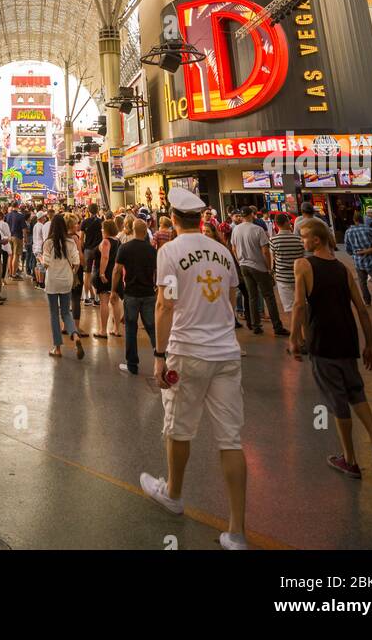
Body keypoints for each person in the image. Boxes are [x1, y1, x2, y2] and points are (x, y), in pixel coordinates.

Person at [141, 188, 248, 551]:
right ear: (201, 218)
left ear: (172, 218)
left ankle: (173, 492)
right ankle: (236, 530)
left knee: (179, 429)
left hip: (187, 351)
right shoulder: (222, 251)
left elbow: (164, 306)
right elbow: (232, 302)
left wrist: (158, 354)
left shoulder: (168, 252)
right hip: (226, 354)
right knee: (231, 440)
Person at [290, 217, 372, 480]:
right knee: (356, 391)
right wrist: (369, 344)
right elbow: (361, 308)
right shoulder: (343, 268)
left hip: (322, 339)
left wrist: (294, 339)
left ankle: (350, 459)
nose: (302, 241)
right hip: (347, 339)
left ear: (315, 240)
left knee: (337, 400)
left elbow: (299, 306)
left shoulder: (302, 265)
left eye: (304, 237)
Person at [230, 208, 288, 336]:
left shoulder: (236, 230)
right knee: (269, 297)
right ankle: (277, 327)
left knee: (252, 297)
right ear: (251, 215)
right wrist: (269, 268)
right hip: (259, 267)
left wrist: (239, 261)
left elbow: (233, 248)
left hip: (244, 266)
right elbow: (265, 251)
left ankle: (256, 325)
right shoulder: (258, 230)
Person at [114, 218, 157, 375]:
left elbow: (117, 270)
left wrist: (113, 290)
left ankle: (132, 364)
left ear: (132, 230)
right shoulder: (152, 250)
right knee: (152, 328)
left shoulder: (125, 248)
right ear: (146, 231)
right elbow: (157, 271)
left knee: (131, 329)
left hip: (131, 293)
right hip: (148, 293)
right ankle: (161, 358)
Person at [42, 213, 84, 360]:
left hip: (52, 281)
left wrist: (45, 264)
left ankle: (57, 348)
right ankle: (75, 335)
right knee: (66, 312)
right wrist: (72, 273)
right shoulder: (71, 242)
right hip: (66, 280)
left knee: (54, 313)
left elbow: (45, 263)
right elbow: (77, 262)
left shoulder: (48, 243)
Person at [269, 212, 305, 318]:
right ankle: (305, 330)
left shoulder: (273, 240)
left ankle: (295, 330)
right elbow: (302, 257)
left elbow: (273, 259)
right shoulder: (298, 240)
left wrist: (272, 270)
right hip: (298, 276)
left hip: (282, 278)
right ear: (287, 222)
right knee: (302, 305)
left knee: (290, 308)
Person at [93, 219, 121, 339]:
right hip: (115, 273)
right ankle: (116, 329)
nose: (101, 230)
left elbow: (105, 257)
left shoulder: (105, 242)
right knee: (115, 301)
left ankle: (103, 330)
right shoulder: (118, 241)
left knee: (104, 302)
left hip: (106, 273)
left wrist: (101, 273)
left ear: (106, 229)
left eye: (102, 228)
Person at [81, 204, 103, 306]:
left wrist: (82, 250)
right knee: (98, 273)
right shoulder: (100, 222)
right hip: (98, 250)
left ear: (88, 211)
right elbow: (103, 236)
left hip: (88, 250)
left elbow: (81, 238)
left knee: (87, 274)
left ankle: (86, 297)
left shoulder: (84, 222)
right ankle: (97, 298)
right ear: (97, 210)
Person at [32, 210, 49, 287]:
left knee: (38, 265)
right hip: (40, 248)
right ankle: (41, 283)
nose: (45, 218)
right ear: (41, 218)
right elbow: (44, 237)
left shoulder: (36, 225)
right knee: (41, 266)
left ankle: (38, 281)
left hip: (35, 247)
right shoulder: (41, 226)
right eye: (44, 216)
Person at [7, 204, 26, 278]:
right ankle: (14, 274)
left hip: (9, 237)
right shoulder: (20, 216)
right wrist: (25, 238)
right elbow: (24, 228)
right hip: (17, 237)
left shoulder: (7, 215)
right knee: (16, 255)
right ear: (17, 207)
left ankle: (10, 273)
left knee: (10, 255)